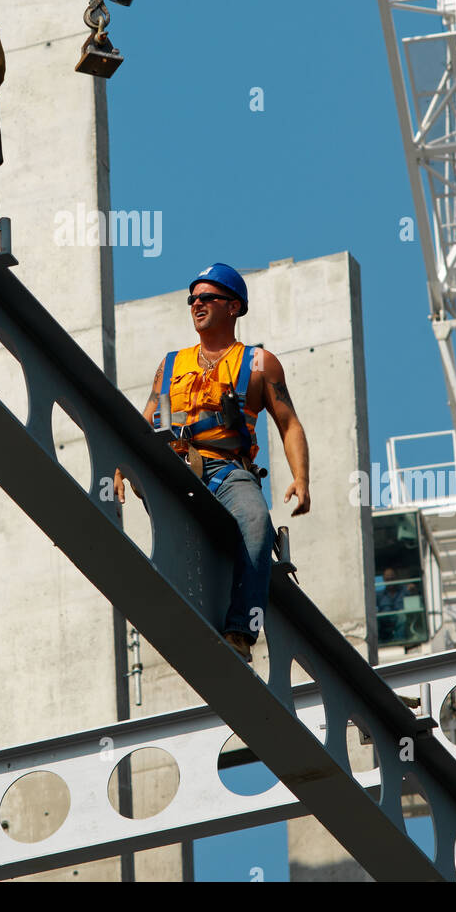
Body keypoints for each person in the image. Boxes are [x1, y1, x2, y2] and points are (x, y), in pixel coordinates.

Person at [113, 263, 310, 664]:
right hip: (174, 467)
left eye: (207, 298)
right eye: (192, 299)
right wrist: (121, 465)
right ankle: (175, 612)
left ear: (233, 307)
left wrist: (301, 478)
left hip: (227, 471)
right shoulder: (170, 364)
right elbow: (145, 419)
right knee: (179, 538)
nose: (197, 304)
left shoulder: (259, 363)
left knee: (256, 525)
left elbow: (289, 423)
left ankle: (240, 630)